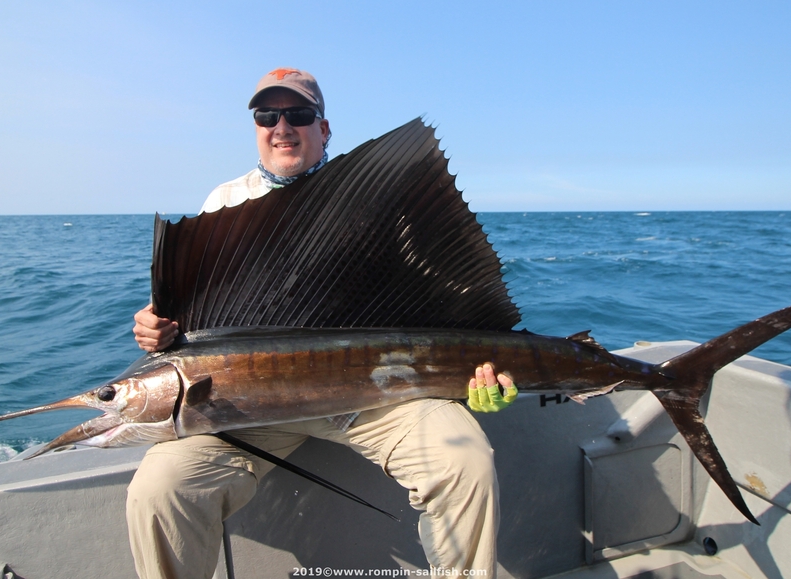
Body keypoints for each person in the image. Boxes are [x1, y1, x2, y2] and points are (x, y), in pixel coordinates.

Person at [127, 68, 517, 579]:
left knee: (465, 461)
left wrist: (484, 372)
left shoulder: (379, 202)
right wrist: (156, 329)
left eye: (299, 114)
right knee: (159, 490)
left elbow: (446, 302)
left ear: (324, 128)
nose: (282, 126)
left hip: (378, 396)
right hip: (250, 405)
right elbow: (194, 322)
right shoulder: (224, 202)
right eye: (268, 115)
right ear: (256, 127)